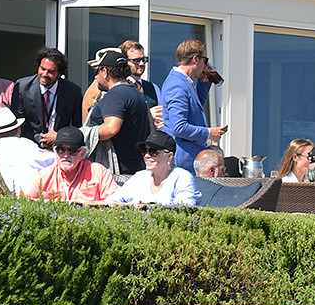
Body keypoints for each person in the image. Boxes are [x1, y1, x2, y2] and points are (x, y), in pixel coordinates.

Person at [84, 48, 153, 176]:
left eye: (97, 71)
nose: (95, 76)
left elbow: (111, 128)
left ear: (105, 72)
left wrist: (79, 135)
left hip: (118, 172)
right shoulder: (135, 92)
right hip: (135, 167)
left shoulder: (116, 94)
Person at [161, 39, 226, 172]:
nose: (205, 66)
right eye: (205, 61)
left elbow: (194, 109)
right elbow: (178, 127)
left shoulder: (183, 81)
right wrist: (208, 133)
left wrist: (203, 83)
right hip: (183, 160)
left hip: (187, 158)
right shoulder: (177, 84)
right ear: (196, 59)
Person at [23, 126, 117, 203]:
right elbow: (23, 201)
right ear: (55, 151)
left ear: (82, 153)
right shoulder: (44, 176)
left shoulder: (98, 172)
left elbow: (115, 201)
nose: (66, 155)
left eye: (72, 150)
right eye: (61, 150)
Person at [10, 47, 81, 147]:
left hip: (60, 148)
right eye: (42, 69)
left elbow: (77, 126)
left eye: (51, 72)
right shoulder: (22, 87)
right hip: (29, 146)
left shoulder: (73, 92)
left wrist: (60, 136)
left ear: (59, 74)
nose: (45, 74)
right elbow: (18, 123)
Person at [112, 131, 200, 207]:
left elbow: (185, 207)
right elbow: (113, 200)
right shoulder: (140, 176)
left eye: (153, 152)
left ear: (169, 156)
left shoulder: (182, 177)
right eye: (144, 151)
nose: (147, 156)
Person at [0, 108, 53, 195]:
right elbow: (52, 161)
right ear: (19, 129)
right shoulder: (26, 144)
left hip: (4, 196)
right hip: (29, 196)